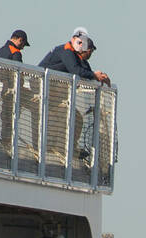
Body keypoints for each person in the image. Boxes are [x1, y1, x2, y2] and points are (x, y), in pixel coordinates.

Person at [38, 28, 109, 163]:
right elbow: (75, 70)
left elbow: (85, 69)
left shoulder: (75, 56)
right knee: (65, 117)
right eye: (90, 51)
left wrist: (100, 76)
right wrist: (94, 75)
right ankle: (59, 148)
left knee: (75, 118)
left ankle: (69, 147)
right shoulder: (67, 51)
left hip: (53, 92)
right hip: (43, 89)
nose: (90, 54)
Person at [0, 29, 30, 149]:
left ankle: (5, 141)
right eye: (23, 44)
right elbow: (17, 74)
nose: (23, 47)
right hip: (14, 91)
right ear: (20, 40)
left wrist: (6, 82)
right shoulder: (15, 53)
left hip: (5, 90)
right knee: (12, 116)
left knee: (6, 116)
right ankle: (9, 144)